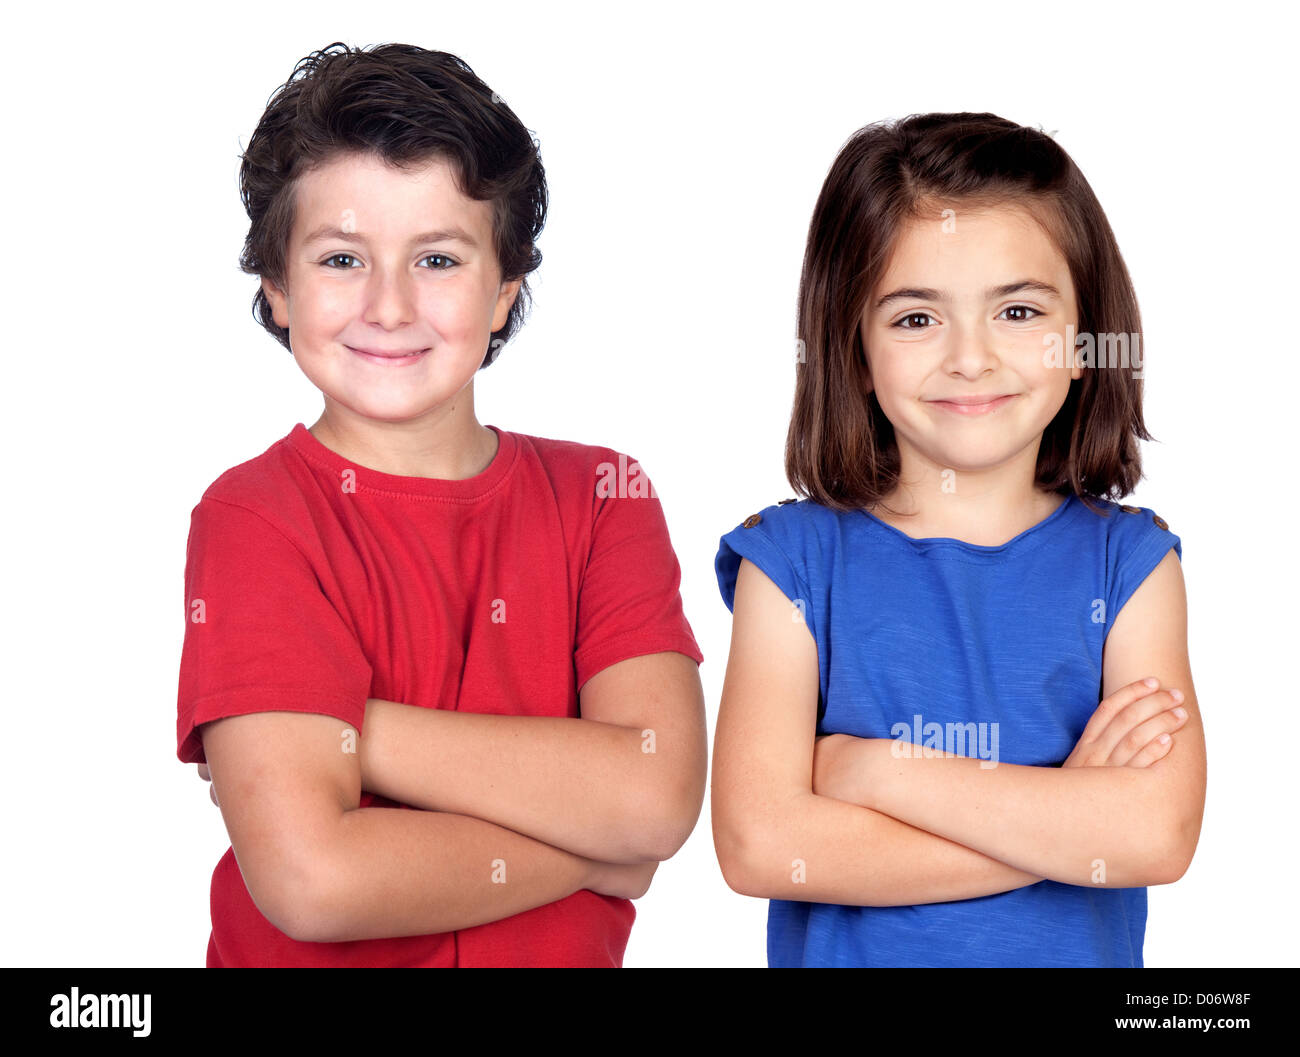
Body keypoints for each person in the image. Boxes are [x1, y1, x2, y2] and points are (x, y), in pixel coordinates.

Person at [176, 42, 706, 967]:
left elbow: (657, 797)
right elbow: (316, 882)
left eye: (437, 259)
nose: (387, 305)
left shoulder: (603, 497)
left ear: (505, 290)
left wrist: (351, 729)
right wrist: (596, 843)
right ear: (278, 291)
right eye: (342, 257)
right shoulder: (252, 516)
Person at [711, 113, 1205, 967]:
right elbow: (762, 844)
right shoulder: (789, 565)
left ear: (1086, 340)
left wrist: (876, 774)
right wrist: (1064, 814)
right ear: (853, 348)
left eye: (1017, 310)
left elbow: (1153, 834)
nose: (970, 359)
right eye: (914, 319)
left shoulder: (1131, 566)